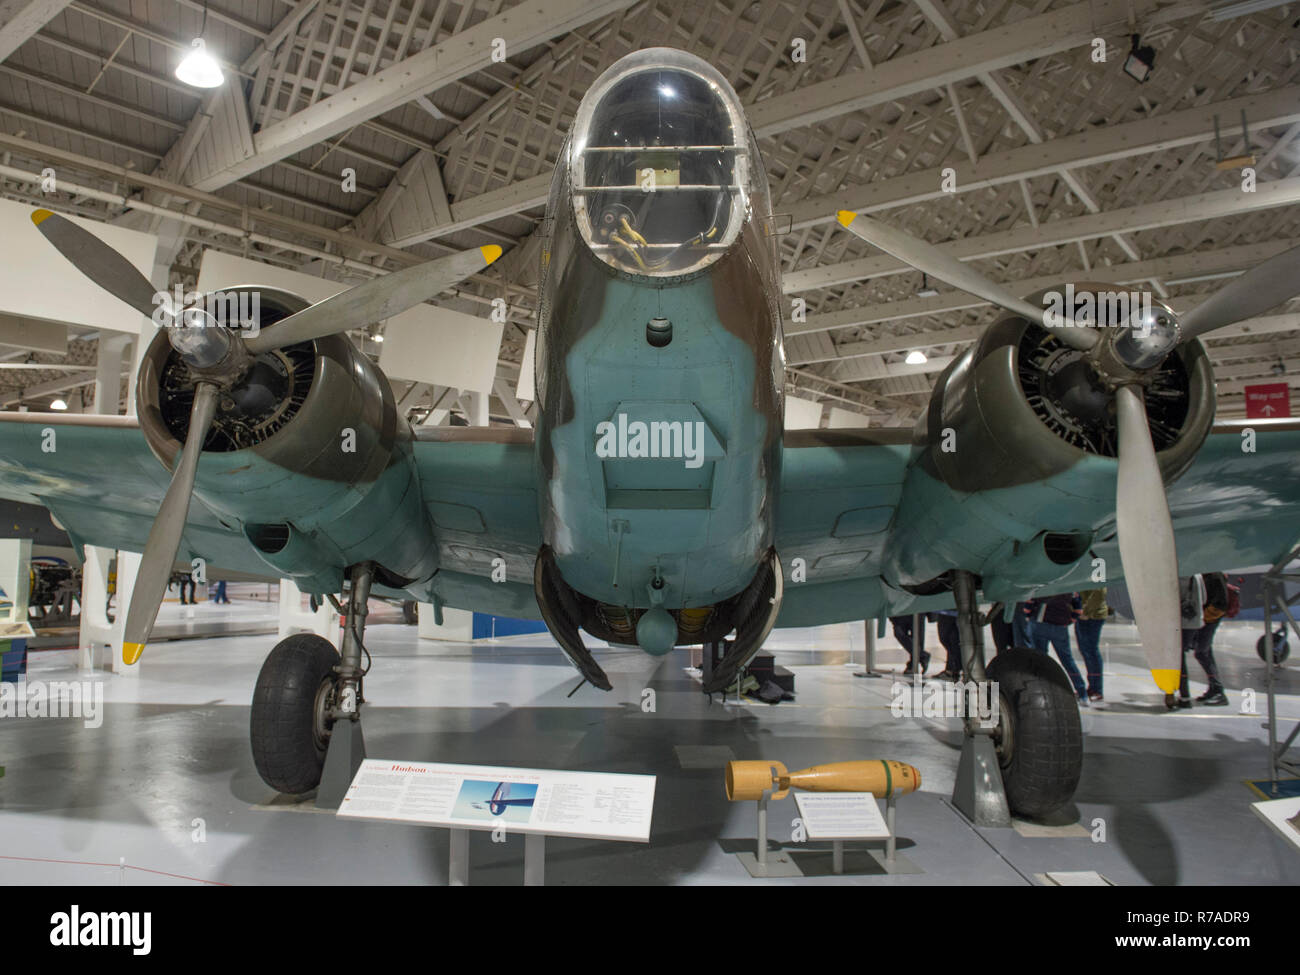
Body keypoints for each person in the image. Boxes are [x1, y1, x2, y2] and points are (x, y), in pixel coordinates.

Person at [1029, 593, 1088, 703]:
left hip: (1041, 623)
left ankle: (1043, 692)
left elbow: (1029, 603)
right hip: (1060, 625)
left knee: (1040, 661)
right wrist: (1069, 620)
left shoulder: (1042, 585)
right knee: (1068, 660)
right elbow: (1078, 607)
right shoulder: (1069, 587)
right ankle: (1082, 693)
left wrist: (1028, 615)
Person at [1192, 572, 1229, 706]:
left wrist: (1204, 618)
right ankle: (1214, 689)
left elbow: (1222, 603)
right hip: (1206, 619)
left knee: (1201, 652)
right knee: (1205, 652)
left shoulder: (1215, 576)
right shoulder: (1206, 575)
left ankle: (1218, 690)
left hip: (1210, 620)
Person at [1171, 574, 1205, 710]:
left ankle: (1184, 695)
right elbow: (1204, 599)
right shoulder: (1198, 576)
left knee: (1178, 659)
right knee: (1181, 656)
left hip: (1180, 622)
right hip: (1195, 622)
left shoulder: (1177, 577)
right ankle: (1182, 694)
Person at [1074, 588, 1108, 704]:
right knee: (1085, 651)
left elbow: (1099, 593)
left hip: (1093, 616)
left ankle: (1097, 690)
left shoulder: (1096, 571)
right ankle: (1092, 687)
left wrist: (1085, 611)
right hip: (1083, 615)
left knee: (1091, 652)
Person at [933, 609, 962, 680]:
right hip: (951, 610)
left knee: (948, 639)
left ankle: (954, 667)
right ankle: (952, 668)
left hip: (948, 610)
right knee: (953, 640)